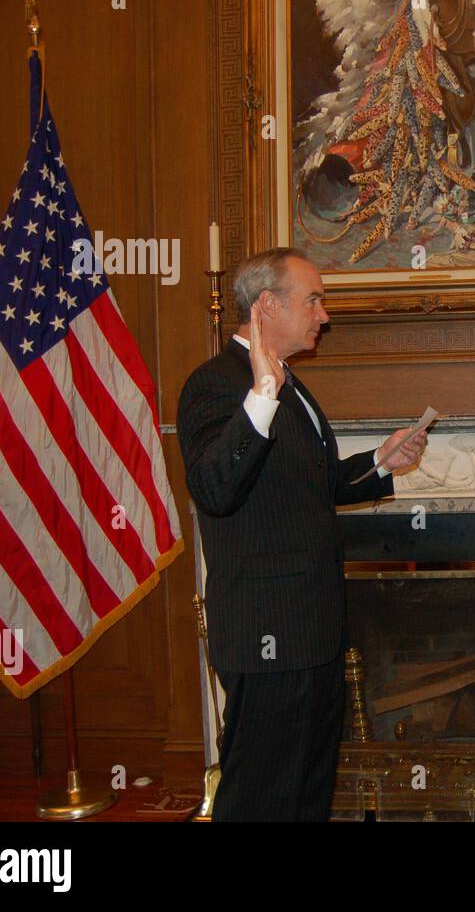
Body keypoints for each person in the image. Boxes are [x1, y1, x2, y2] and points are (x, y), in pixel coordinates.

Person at [177, 247, 425, 821]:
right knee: (261, 796)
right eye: (313, 299)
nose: (325, 315)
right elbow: (215, 487)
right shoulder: (216, 385)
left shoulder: (292, 385)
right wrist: (261, 394)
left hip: (313, 630)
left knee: (307, 793)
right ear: (267, 305)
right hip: (268, 632)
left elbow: (306, 486)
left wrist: (381, 463)